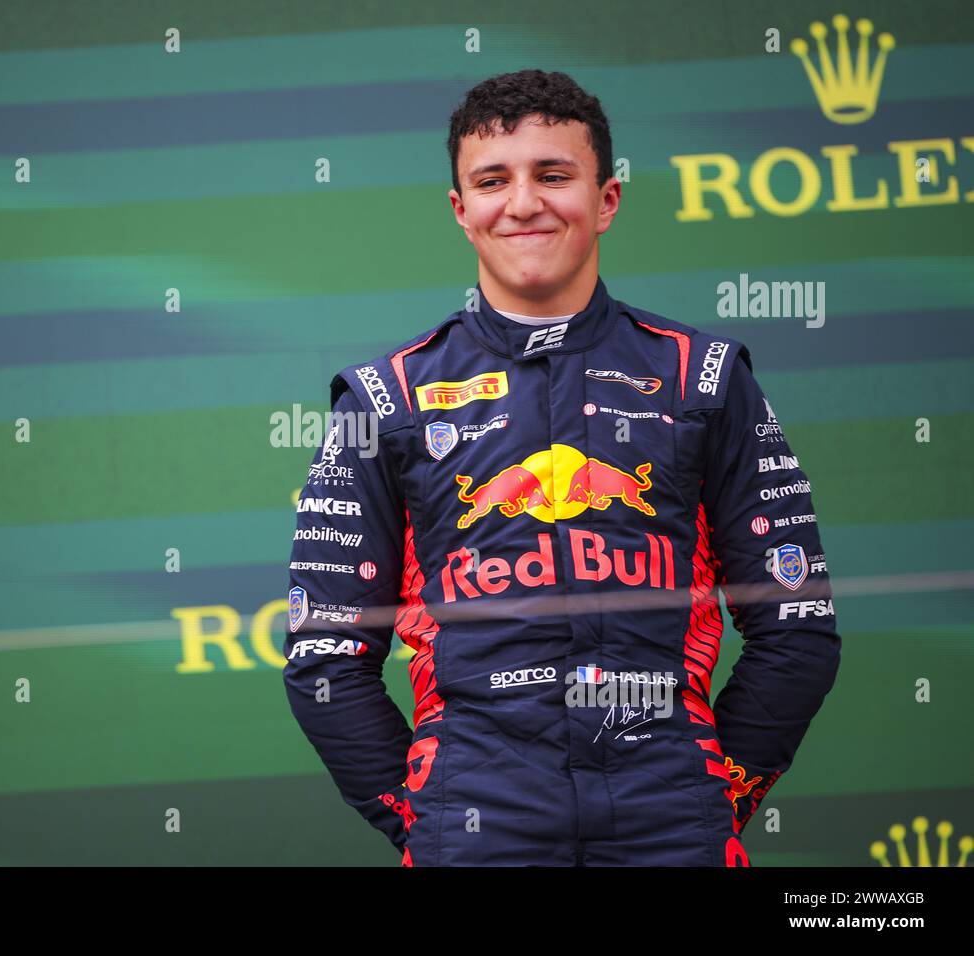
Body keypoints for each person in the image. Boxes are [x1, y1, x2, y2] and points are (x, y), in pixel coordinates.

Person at [282, 69, 840, 866]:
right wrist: (425, 814)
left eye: (553, 175)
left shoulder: (705, 379)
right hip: (474, 823)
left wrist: (715, 791)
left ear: (606, 199)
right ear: (460, 210)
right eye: (492, 181)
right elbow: (325, 656)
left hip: (672, 814)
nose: (523, 202)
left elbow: (798, 630)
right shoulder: (384, 398)